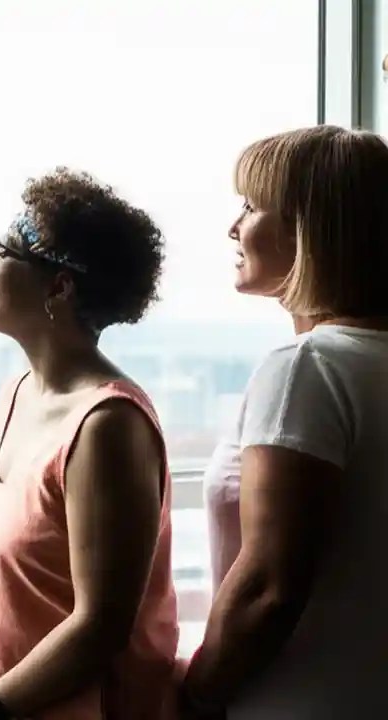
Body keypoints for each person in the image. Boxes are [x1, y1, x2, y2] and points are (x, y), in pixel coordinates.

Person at [0, 168, 178, 720]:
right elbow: (8, 588)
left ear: (59, 287)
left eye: (3, 251)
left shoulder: (108, 426)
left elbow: (101, 624)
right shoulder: (13, 395)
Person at [180, 126, 388, 719]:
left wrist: (194, 696)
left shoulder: (308, 368)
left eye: (249, 206)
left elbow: (269, 588)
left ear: (309, 227)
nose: (233, 227)